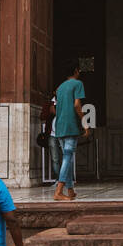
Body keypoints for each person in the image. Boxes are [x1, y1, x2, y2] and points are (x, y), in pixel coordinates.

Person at [52, 60, 88, 201]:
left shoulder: (60, 88)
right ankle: (59, 191)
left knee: (67, 158)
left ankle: (70, 190)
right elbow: (77, 105)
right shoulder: (78, 84)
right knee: (67, 158)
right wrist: (85, 123)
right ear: (76, 71)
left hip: (60, 126)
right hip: (70, 126)